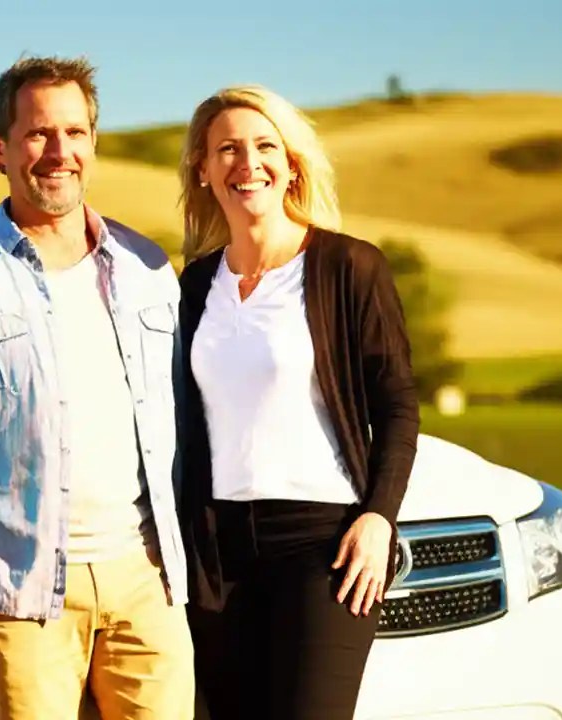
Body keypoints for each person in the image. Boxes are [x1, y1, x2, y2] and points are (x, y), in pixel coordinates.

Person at [0, 55, 193, 720]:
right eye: (38, 134)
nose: (60, 152)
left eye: (76, 133)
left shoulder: (147, 267)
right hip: (16, 589)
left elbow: (182, 412)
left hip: (146, 579)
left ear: (94, 143)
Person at [176, 85, 420, 720]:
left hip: (323, 546)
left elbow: (396, 405)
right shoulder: (195, 283)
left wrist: (379, 518)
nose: (245, 163)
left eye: (263, 146)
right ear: (202, 170)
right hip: (215, 552)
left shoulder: (348, 267)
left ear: (291, 164)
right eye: (226, 149)